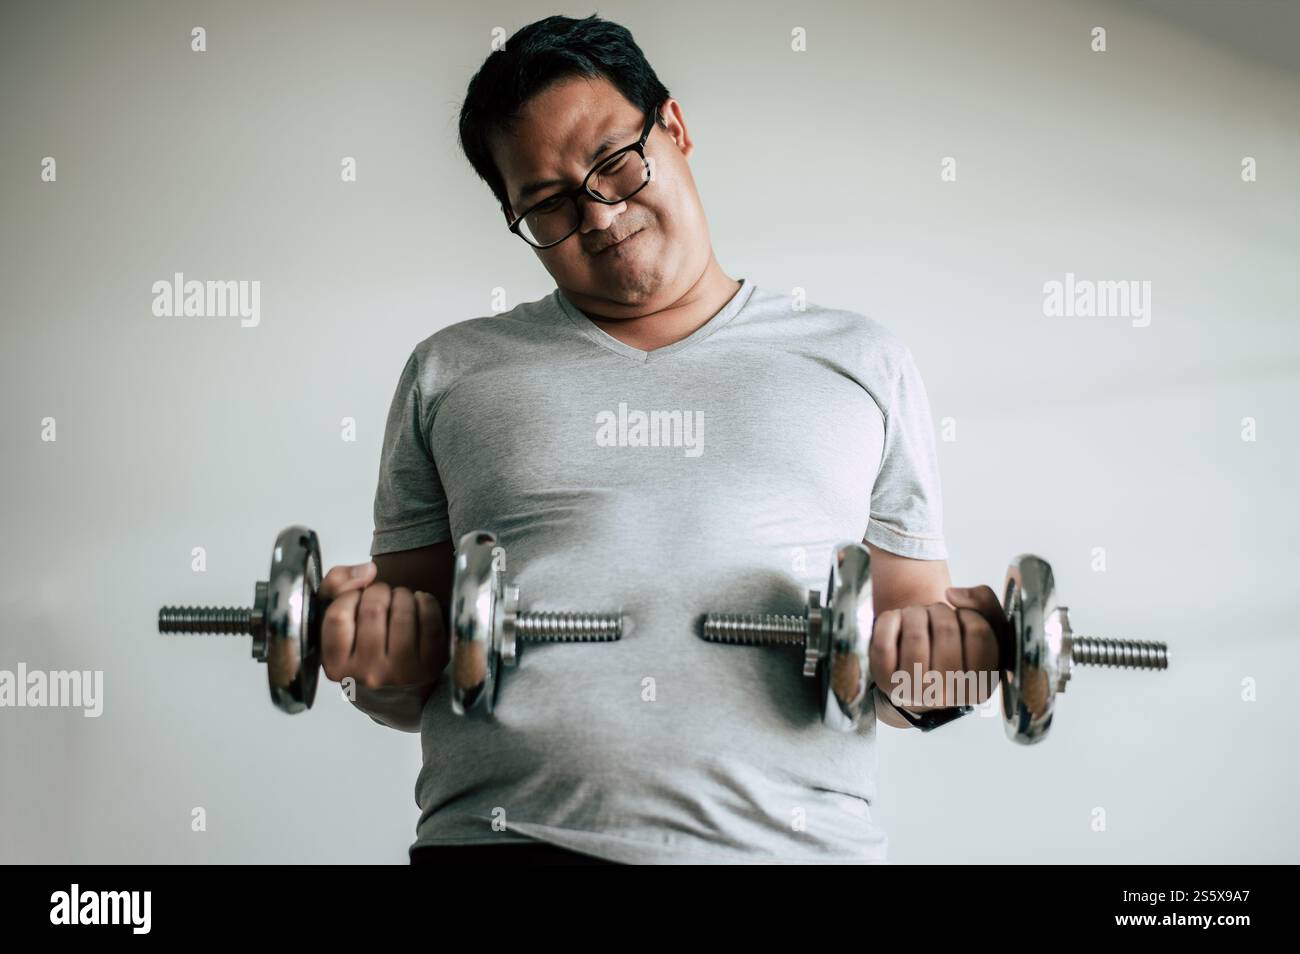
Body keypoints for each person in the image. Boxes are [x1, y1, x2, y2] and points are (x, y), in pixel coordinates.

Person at [316, 14, 1005, 865]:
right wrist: (362, 660)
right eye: (549, 203)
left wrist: (960, 671)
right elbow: (403, 676)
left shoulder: (860, 359)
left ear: (672, 126)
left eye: (614, 163)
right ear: (513, 211)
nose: (599, 216)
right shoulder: (450, 371)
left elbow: (910, 673)